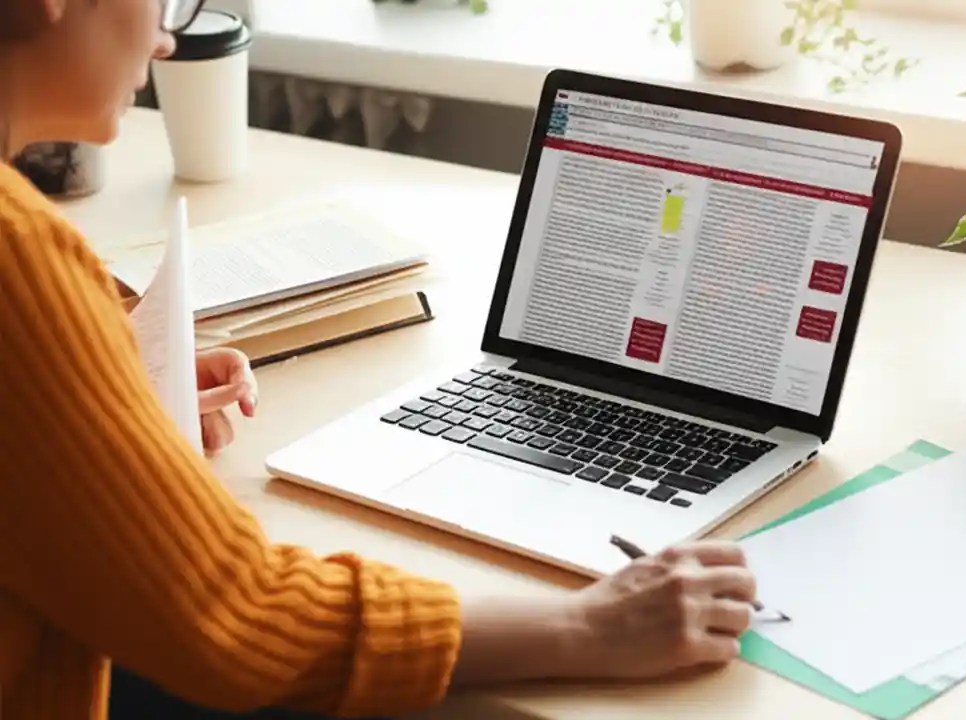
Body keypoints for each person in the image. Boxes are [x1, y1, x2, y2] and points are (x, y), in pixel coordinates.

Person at [0, 1, 760, 719]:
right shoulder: (17, 251)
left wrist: (98, 392)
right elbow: (234, 615)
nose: (167, 38)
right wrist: (589, 625)